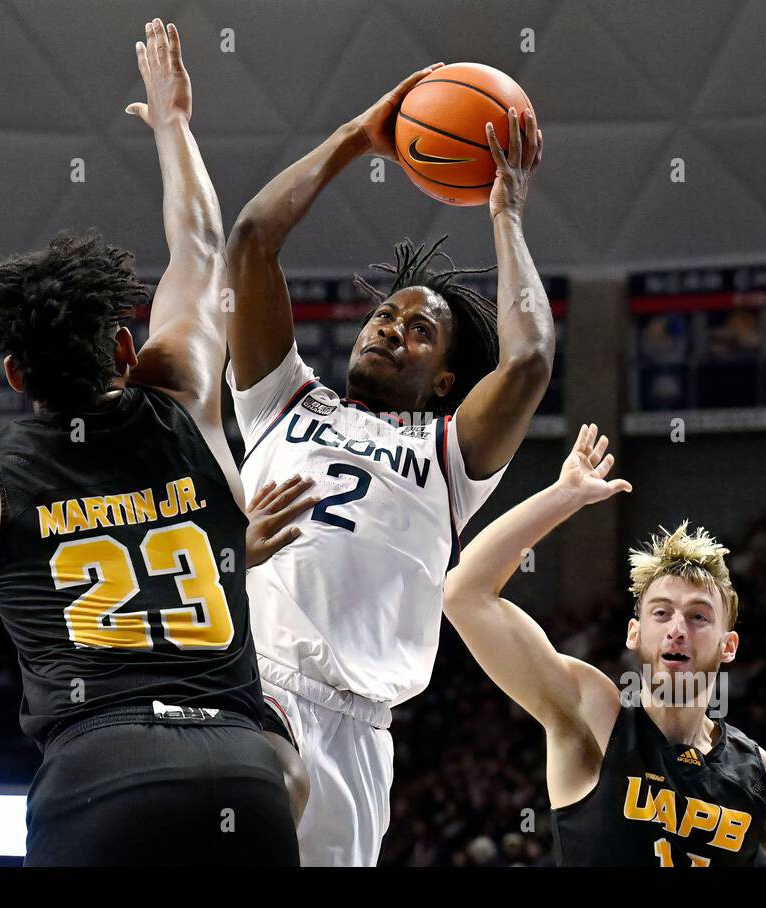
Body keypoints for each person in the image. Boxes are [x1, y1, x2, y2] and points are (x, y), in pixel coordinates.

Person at [0, 20, 298, 865]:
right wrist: (174, 127)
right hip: (247, 771)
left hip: (101, 772)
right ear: (124, 350)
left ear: (15, 378)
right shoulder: (180, 394)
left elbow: (107, 549)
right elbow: (203, 249)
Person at [224, 65, 553, 865]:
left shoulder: (447, 457)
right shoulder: (282, 403)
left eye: (416, 329)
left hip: (363, 732)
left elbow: (532, 359)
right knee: (249, 805)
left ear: (443, 380)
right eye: (384, 313)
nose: (388, 327)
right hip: (259, 683)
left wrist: (505, 217)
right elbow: (251, 243)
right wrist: (354, 138)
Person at [444, 424, 766, 866]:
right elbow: (463, 594)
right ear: (634, 633)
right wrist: (563, 495)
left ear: (728, 645)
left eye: (699, 616)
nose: (677, 628)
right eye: (661, 613)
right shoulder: (593, 718)